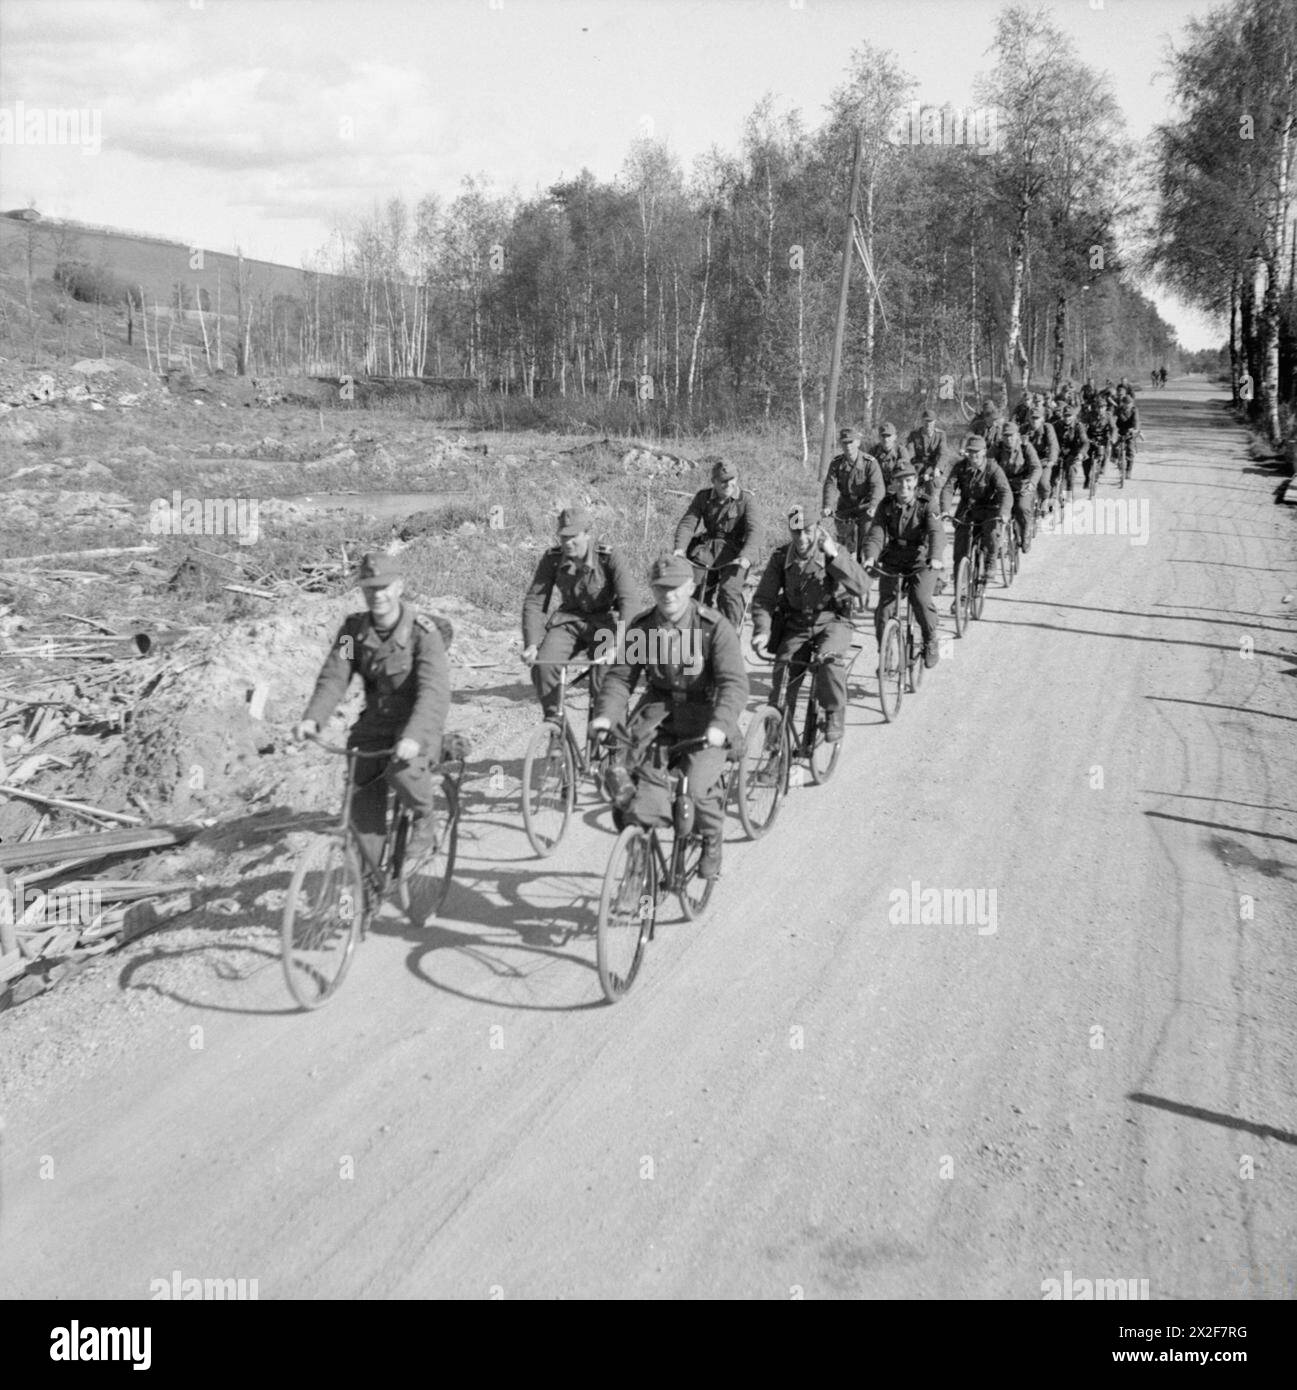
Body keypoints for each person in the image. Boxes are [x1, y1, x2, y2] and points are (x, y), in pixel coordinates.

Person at [590, 554, 749, 881]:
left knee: (695, 790)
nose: (669, 596)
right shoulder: (643, 627)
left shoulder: (713, 627)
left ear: (691, 586)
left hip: (706, 719)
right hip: (658, 719)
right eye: (661, 588)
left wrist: (720, 726)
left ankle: (710, 838)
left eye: (676, 588)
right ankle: (636, 874)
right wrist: (606, 716)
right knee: (630, 795)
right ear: (652, 589)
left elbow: (734, 683)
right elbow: (621, 678)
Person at [293, 552, 451, 865]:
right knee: (361, 801)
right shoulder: (353, 631)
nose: (376, 595)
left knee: (404, 772)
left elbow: (434, 692)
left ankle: (424, 817)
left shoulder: (423, 633)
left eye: (383, 587)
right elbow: (335, 675)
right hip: (374, 725)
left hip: (418, 724)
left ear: (399, 587)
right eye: (369, 588)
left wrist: (414, 737)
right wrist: (313, 718)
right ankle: (366, 888)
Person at [750, 505, 867, 743]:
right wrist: (762, 630)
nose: (802, 538)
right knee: (780, 689)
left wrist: (834, 556)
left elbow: (862, 586)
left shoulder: (833, 551)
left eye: (807, 531)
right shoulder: (781, 557)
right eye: (796, 532)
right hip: (797, 625)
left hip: (832, 622)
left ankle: (834, 711)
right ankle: (776, 753)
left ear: (817, 529)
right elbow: (763, 599)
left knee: (829, 660)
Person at [521, 505, 637, 720]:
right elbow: (535, 602)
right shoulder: (552, 558)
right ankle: (556, 725)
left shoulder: (608, 557)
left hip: (605, 624)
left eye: (573, 537)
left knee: (606, 677)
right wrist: (531, 644)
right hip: (569, 622)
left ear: (588, 534)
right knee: (543, 667)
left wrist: (618, 644)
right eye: (563, 537)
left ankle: (613, 738)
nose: (567, 543)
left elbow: (629, 601)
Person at [862, 463, 944, 668]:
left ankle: (930, 640)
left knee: (920, 598)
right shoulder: (886, 504)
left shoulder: (927, 503)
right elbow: (876, 533)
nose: (904, 486)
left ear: (915, 482)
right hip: (894, 557)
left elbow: (936, 532)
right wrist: (871, 557)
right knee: (884, 609)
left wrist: (934, 557)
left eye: (908, 480)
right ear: (893, 483)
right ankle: (885, 652)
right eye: (899, 481)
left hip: (921, 559)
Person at [672, 459, 762, 631]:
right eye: (723, 481)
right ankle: (695, 630)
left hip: (736, 552)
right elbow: (688, 524)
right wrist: (679, 549)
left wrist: (746, 556)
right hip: (707, 549)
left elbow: (755, 530)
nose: (728, 484)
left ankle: (730, 633)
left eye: (731, 479)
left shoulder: (746, 500)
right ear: (713, 481)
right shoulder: (703, 497)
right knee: (693, 588)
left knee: (728, 592)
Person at [939, 435, 1012, 578]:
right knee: (960, 549)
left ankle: (990, 561)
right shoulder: (960, 467)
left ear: (984, 451)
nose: (973, 456)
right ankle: (960, 593)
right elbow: (948, 488)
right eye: (970, 451)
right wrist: (945, 510)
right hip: (967, 509)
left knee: (991, 534)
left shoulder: (992, 467)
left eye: (977, 452)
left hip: (989, 508)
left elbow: (1005, 491)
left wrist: (1004, 512)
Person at [821, 425, 886, 560]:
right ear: (840, 444)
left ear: (858, 442)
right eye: (844, 443)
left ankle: (867, 565)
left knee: (867, 535)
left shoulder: (870, 462)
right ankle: (847, 568)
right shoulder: (836, 463)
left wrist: (874, 506)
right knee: (844, 542)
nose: (848, 446)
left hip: (866, 507)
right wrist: (828, 506)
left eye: (850, 442)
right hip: (846, 506)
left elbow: (878, 487)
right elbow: (830, 485)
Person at [994, 421, 1042, 554]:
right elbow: (989, 465)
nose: (1008, 439)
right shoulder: (997, 448)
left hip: (1022, 485)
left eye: (1011, 435)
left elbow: (1036, 467)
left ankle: (1026, 534)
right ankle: (997, 542)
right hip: (1003, 485)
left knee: (1022, 507)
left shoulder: (1026, 447)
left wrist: (1032, 483)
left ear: (1017, 435)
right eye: (1005, 435)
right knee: (995, 511)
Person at [1024, 407, 1059, 516]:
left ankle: (1045, 500)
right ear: (1029, 419)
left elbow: (1053, 445)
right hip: (1027, 462)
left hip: (1043, 461)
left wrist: (1052, 460)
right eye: (1032, 418)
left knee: (1043, 484)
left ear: (1042, 419)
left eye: (1037, 418)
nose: (1034, 420)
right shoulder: (1024, 429)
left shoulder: (1047, 428)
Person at [906, 409, 947, 502]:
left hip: (933, 466)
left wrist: (938, 468)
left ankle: (933, 507)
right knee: (909, 484)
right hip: (918, 465)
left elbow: (943, 453)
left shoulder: (940, 435)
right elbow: (909, 450)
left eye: (930, 421)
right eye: (926, 421)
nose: (928, 424)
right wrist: (906, 465)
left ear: (935, 421)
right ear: (922, 421)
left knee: (934, 485)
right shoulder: (914, 434)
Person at [870, 421, 906, 486]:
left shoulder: (901, 450)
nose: (886, 439)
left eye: (888, 436)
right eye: (883, 436)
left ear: (895, 437)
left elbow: (905, 470)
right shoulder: (874, 451)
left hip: (896, 485)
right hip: (878, 484)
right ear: (879, 437)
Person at [1113, 390, 1139, 477]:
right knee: (1115, 445)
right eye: (1126, 403)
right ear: (1123, 403)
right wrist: (1113, 427)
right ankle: (1115, 458)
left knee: (1130, 451)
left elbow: (1136, 421)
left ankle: (1128, 470)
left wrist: (1135, 429)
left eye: (1130, 403)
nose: (1128, 405)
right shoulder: (1118, 409)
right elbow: (1113, 419)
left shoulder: (1134, 410)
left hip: (1130, 432)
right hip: (1120, 430)